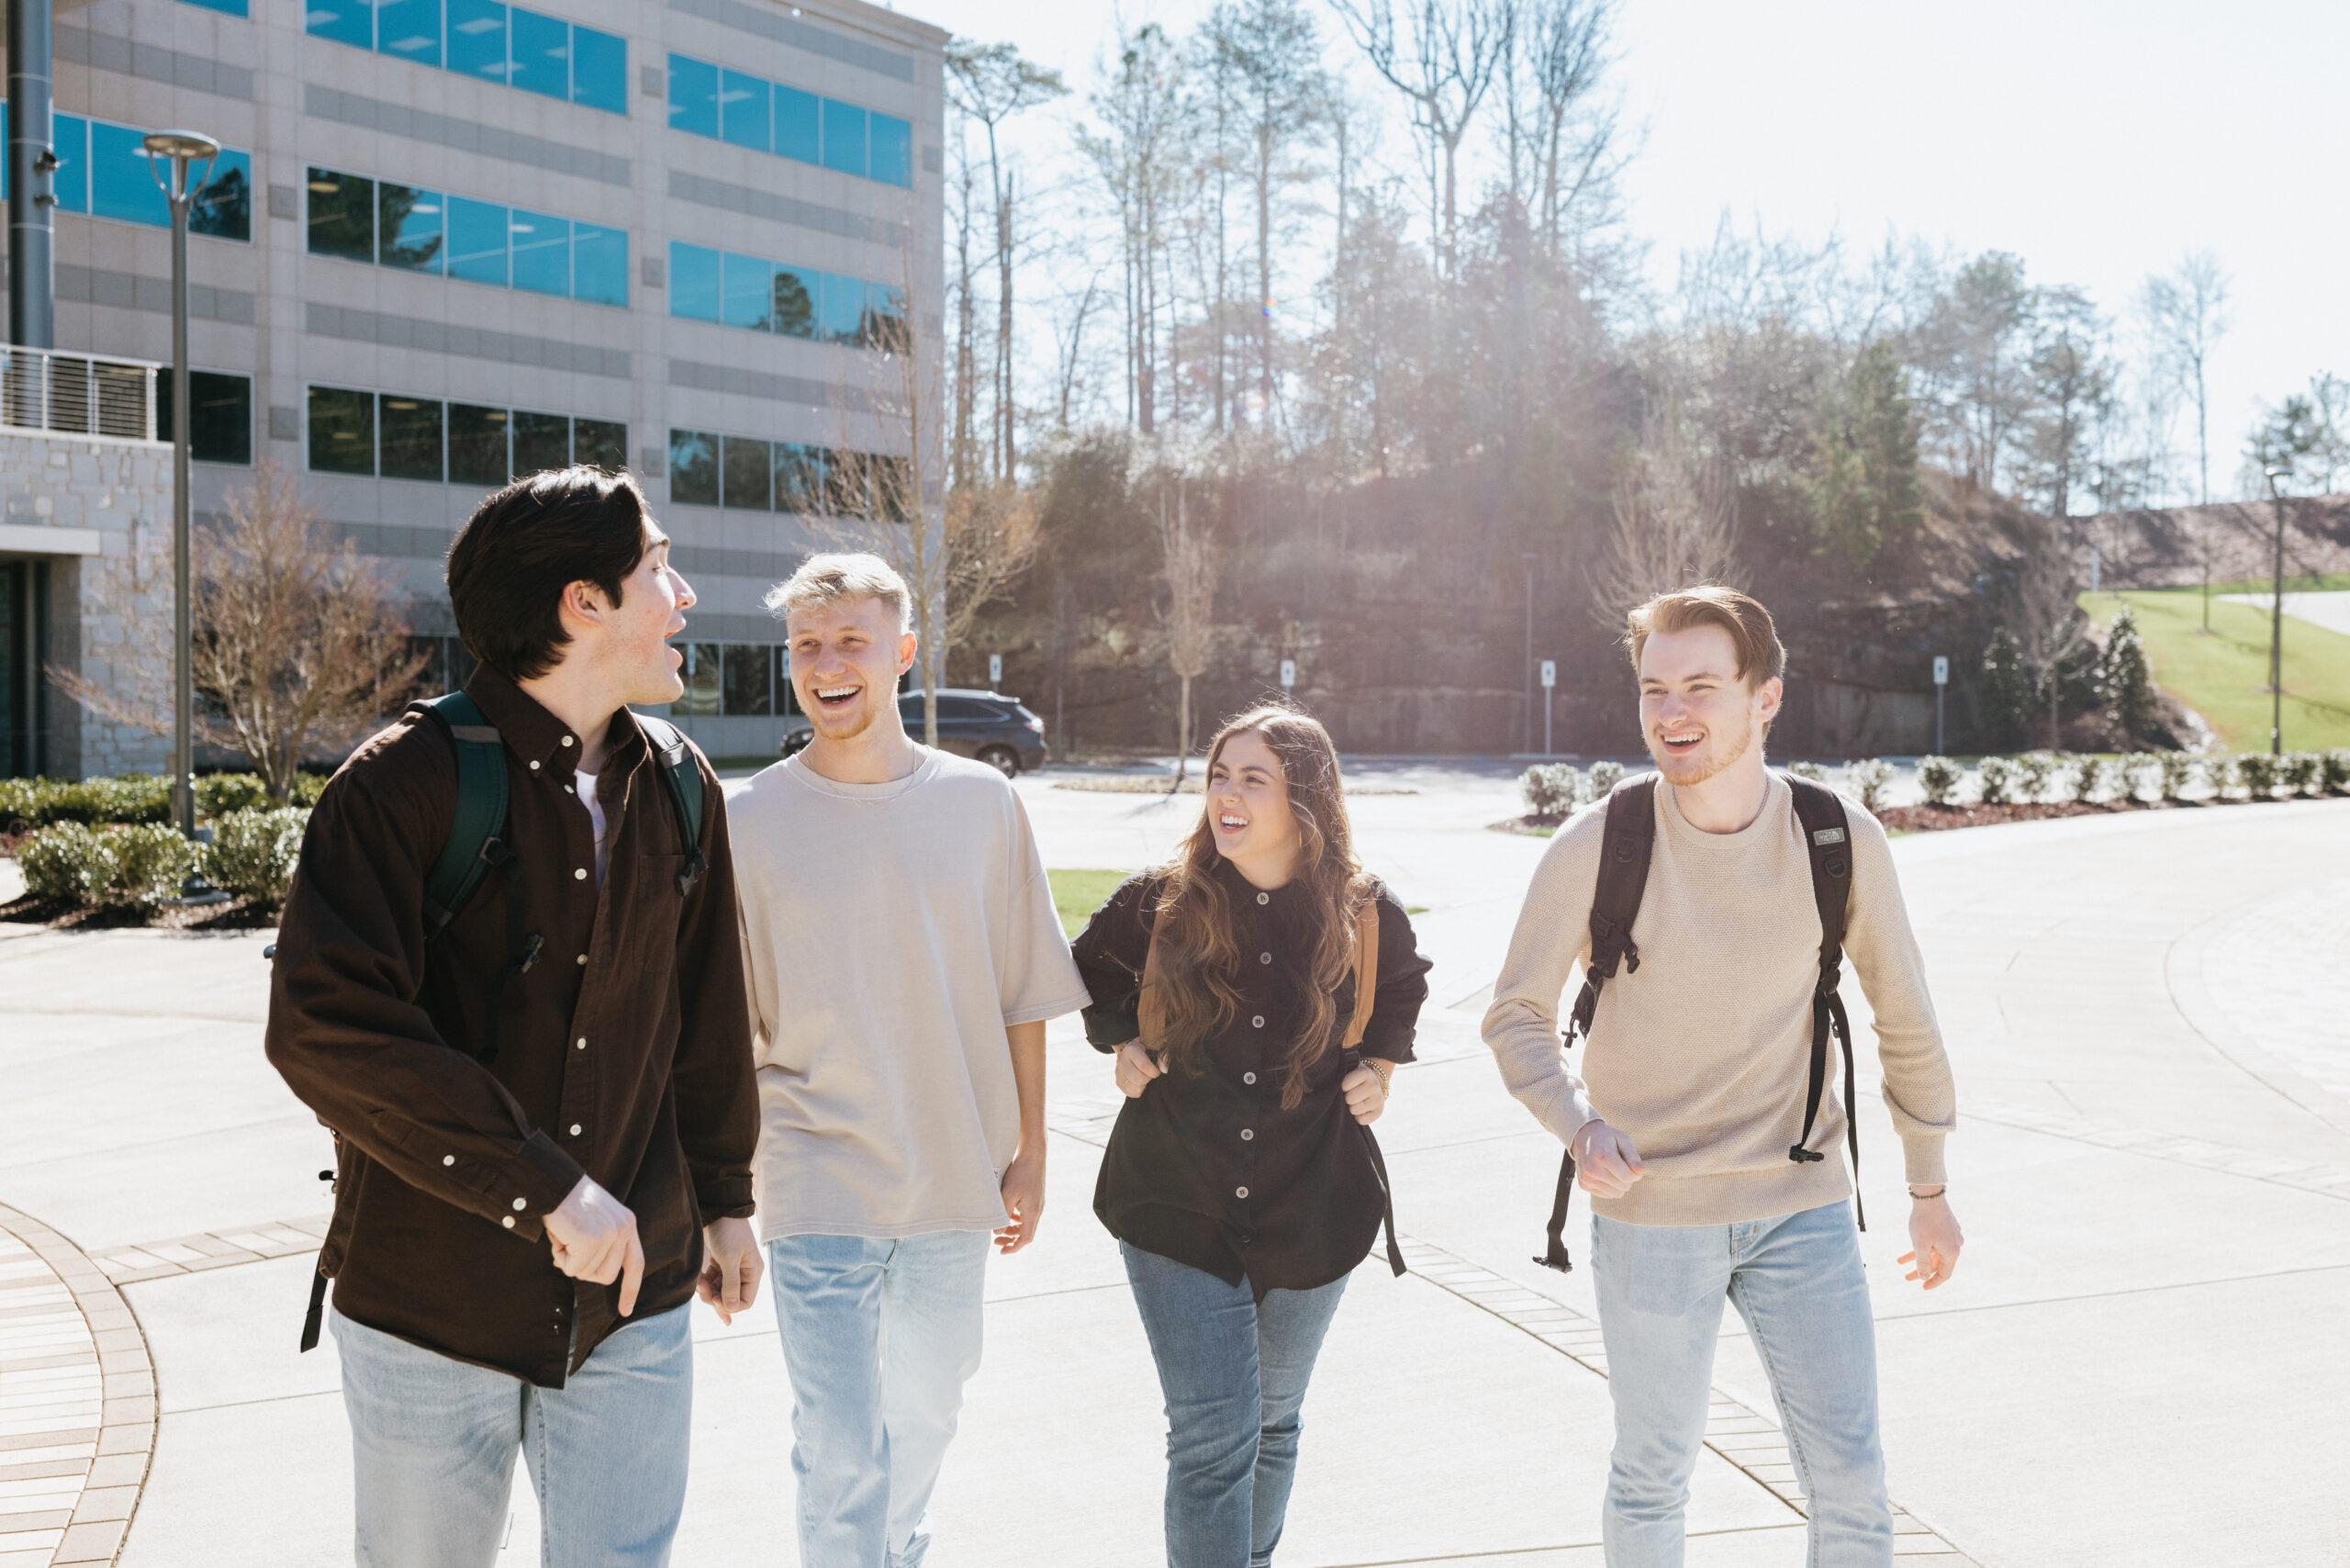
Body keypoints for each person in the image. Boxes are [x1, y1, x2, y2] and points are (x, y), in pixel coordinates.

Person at [265, 466, 763, 1567]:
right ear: (583, 603)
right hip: (430, 1307)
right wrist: (549, 1187)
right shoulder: (400, 785)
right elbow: (323, 1028)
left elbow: (705, 1014)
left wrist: (725, 1200)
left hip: (637, 1308)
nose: (682, 596)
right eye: (658, 568)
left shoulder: (681, 785)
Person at [1482, 585, 1963, 1568]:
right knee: (1653, 1475)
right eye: (1654, 689)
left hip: (1805, 1208)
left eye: (1701, 685)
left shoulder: (1837, 841)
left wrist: (1929, 1186)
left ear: (1765, 700)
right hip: (1651, 1212)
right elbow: (1514, 1016)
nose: (1672, 713)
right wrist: (1576, 1125)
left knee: (1851, 1481)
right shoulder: (1601, 842)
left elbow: (1904, 1017)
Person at [730, 552, 1090, 1568]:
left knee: (924, 1418)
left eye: (851, 640)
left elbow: (1024, 992)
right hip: (812, 1174)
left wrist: (1031, 1156)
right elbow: (726, 1023)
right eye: (807, 645)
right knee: (841, 1449)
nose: (827, 664)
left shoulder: (980, 803)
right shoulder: (746, 819)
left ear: (903, 651)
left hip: (951, 1171)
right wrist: (723, 1191)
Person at [1072, 705, 1432, 1568]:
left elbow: (1404, 994)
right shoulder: (1160, 900)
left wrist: (1378, 1072)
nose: (1226, 797)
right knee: (1212, 1437)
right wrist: (1121, 1039)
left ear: (1305, 797)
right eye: (1219, 777)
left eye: (1253, 779)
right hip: (1174, 1198)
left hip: (1314, 1201)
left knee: (1272, 1423)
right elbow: (1085, 969)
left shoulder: (1364, 910)